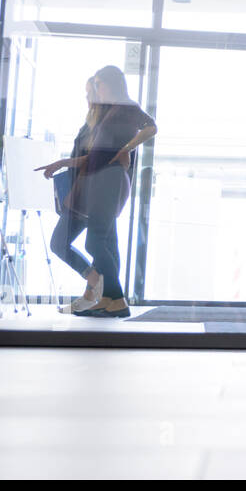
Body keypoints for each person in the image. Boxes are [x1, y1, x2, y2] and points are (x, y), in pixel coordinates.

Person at [36, 65, 156, 318]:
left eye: (98, 84)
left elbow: (151, 127)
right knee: (105, 244)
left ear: (112, 84)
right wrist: (63, 163)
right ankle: (104, 298)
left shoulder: (125, 107)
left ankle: (111, 298)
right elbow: (92, 157)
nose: (95, 90)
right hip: (93, 183)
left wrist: (127, 148)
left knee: (95, 242)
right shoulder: (103, 116)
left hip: (107, 182)